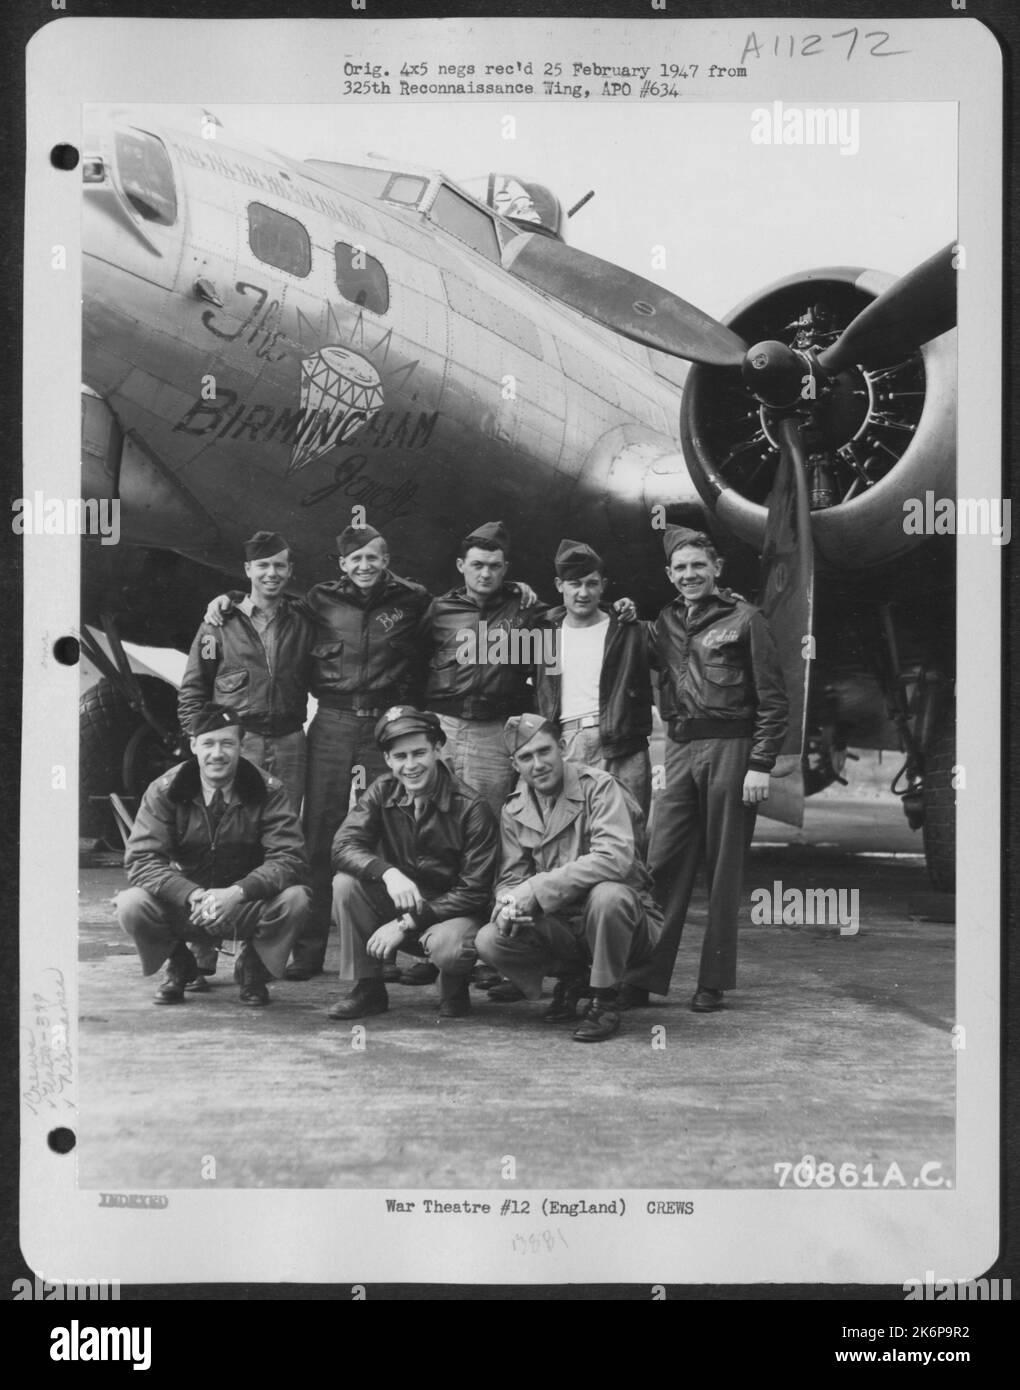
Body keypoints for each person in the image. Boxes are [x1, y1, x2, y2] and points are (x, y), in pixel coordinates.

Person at [201, 523, 433, 980]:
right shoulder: (319, 600)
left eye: (374, 557)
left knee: (385, 832)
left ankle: (386, 949)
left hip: (384, 728)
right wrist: (226, 597)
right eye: (356, 559)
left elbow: (448, 616)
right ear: (342, 564)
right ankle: (308, 949)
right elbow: (267, 603)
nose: (365, 566)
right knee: (320, 833)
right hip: (331, 722)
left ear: (387, 560)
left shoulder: (413, 599)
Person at [619, 526, 788, 1014]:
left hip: (732, 749)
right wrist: (627, 613)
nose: (689, 574)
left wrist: (760, 764)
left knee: (723, 868)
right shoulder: (665, 623)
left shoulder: (746, 620)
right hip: (679, 748)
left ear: (717, 569)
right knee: (662, 863)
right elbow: (635, 650)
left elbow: (774, 702)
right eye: (680, 568)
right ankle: (643, 975)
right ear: (669, 575)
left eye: (698, 565)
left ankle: (712, 980)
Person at [474, 714, 661, 1042]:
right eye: (526, 758)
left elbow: (615, 858)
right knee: (490, 939)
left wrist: (535, 887)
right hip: (563, 925)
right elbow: (510, 877)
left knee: (608, 895)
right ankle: (573, 978)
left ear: (562, 747)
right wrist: (510, 903)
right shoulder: (514, 808)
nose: (538, 764)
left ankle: (604, 999)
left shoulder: (600, 787)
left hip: (624, 922)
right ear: (514, 765)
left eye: (544, 752)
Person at [114, 704, 310, 1007]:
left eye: (227, 743)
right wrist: (189, 893)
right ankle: (179, 962)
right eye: (208, 743)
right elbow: (142, 859)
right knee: (131, 904)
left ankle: (253, 967)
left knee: (296, 899)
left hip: (243, 903)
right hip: (186, 905)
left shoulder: (268, 791)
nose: (217, 753)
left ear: (241, 746)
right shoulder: (164, 790)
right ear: (193, 746)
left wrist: (238, 892)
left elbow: (289, 858)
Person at [326, 706, 499, 1021]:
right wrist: (388, 873)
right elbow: (342, 846)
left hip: (452, 916)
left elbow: (474, 892)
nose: (410, 765)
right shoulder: (382, 790)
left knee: (450, 947)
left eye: (419, 753)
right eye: (400, 756)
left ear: (437, 749)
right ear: (388, 760)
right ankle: (368, 988)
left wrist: (405, 923)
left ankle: (453, 982)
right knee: (345, 884)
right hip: (403, 904)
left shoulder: (473, 807)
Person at [179, 530, 315, 816]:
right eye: (263, 565)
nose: (271, 573)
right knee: (233, 823)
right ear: (248, 569)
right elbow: (194, 688)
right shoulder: (216, 626)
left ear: (290, 571)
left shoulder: (302, 623)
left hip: (290, 743)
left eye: (279, 566)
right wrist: (202, 743)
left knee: (284, 824)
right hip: (239, 742)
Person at [535, 538, 653, 817]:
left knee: (628, 833)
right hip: (567, 742)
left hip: (623, 745)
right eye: (574, 584)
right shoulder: (543, 633)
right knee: (569, 835)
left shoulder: (627, 628)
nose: (583, 592)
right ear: (559, 585)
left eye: (591, 583)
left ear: (603, 585)